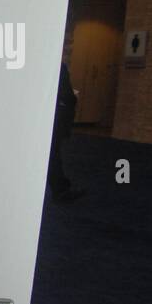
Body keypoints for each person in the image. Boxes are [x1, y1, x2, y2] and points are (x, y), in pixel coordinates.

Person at [47, 60, 84, 202]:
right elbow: (66, 95)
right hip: (53, 116)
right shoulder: (57, 65)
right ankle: (60, 190)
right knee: (52, 154)